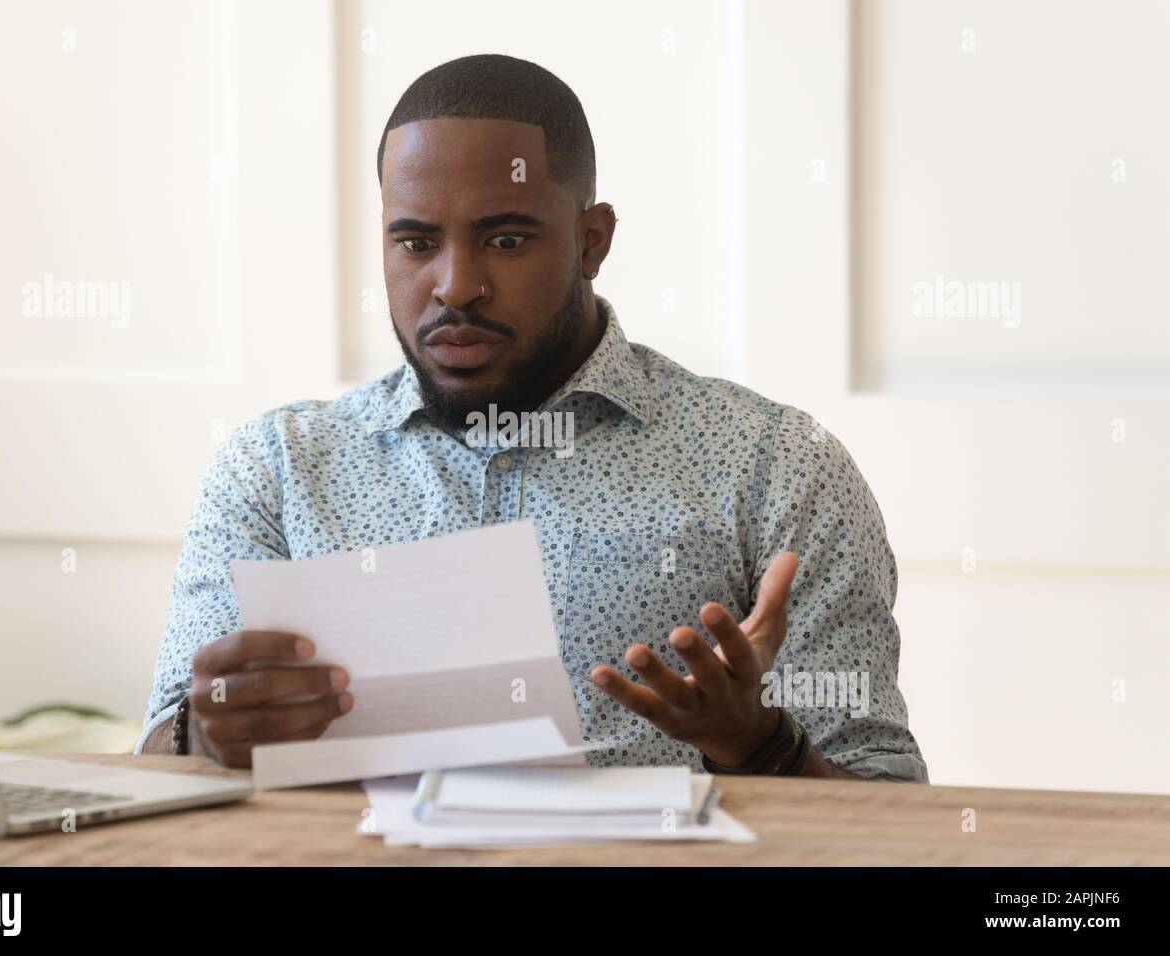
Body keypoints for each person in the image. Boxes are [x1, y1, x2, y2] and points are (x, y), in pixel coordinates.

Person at [140, 54, 927, 782]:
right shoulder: (276, 470)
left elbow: (886, 809)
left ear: (592, 241)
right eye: (415, 243)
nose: (455, 286)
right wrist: (204, 737)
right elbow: (159, 760)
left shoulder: (775, 466)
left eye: (506, 239)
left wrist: (757, 742)